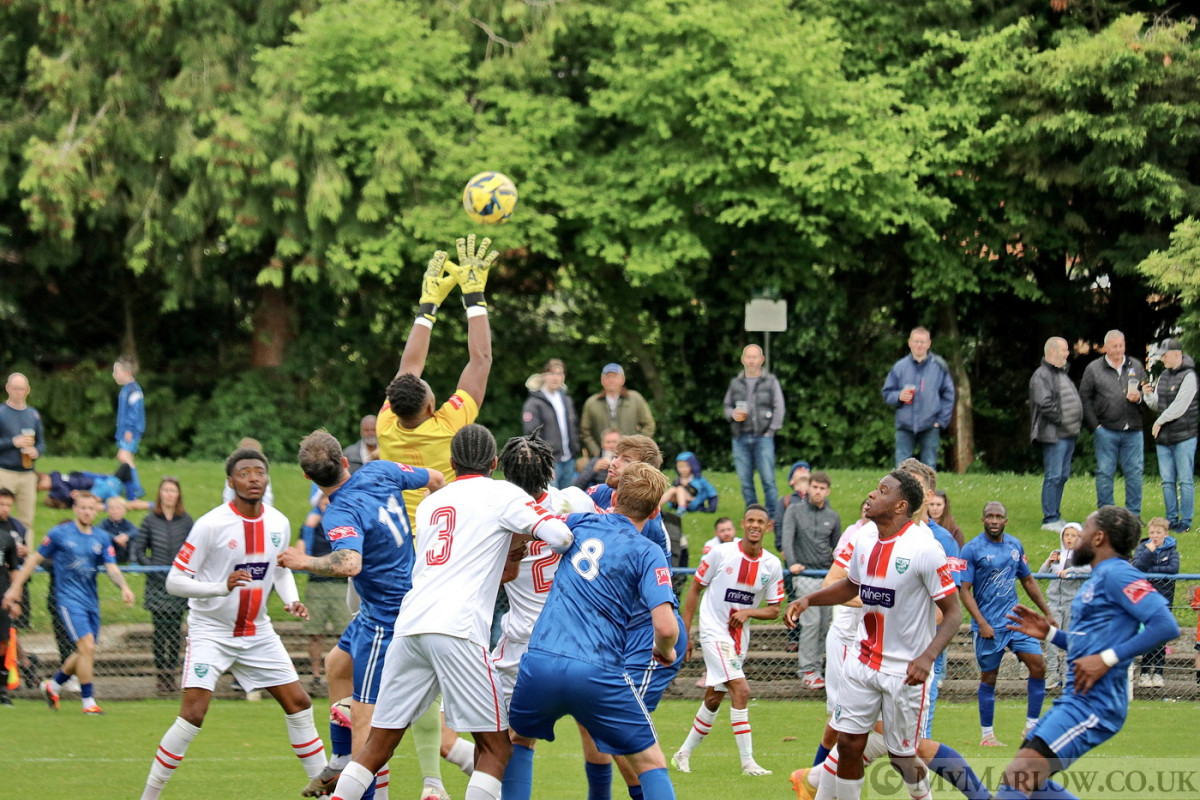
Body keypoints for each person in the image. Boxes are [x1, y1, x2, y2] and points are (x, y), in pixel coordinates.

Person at [325, 424, 573, 800]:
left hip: (409, 626)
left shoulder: (429, 504)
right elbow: (561, 538)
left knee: (376, 745)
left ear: (454, 464)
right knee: (496, 748)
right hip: (457, 628)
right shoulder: (503, 493)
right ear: (493, 462)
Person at [375, 238, 498, 798]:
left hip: (397, 548)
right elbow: (480, 360)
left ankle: (430, 775)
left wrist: (427, 307)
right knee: (451, 660)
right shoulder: (448, 426)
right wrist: (474, 296)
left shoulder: (386, 427)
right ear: (429, 404)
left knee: (407, 670)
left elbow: (408, 367)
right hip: (444, 554)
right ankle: (447, 761)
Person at [137, 448, 324, 800]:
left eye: (259, 472)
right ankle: (149, 796)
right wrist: (219, 587)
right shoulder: (210, 524)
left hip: (257, 632)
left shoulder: (278, 523)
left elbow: (279, 569)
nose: (253, 478)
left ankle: (328, 793)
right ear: (231, 481)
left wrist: (290, 599)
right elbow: (174, 581)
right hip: (211, 632)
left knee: (299, 703)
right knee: (193, 715)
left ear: (267, 479)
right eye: (245, 473)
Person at [281, 429, 445, 800]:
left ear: (307, 477)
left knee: (365, 721)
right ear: (343, 461)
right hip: (380, 608)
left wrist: (302, 560)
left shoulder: (340, 511)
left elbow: (350, 562)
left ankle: (368, 792)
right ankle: (341, 759)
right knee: (337, 664)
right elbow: (436, 479)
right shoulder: (380, 469)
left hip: (387, 619)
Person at [783, 470, 960, 800]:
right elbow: (851, 585)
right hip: (862, 662)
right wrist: (808, 599)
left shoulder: (925, 549)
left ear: (900, 506)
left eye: (882, 491)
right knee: (848, 744)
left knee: (902, 758)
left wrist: (927, 657)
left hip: (904, 672)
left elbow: (954, 613)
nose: (872, 495)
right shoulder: (864, 537)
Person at [507, 462, 678, 800]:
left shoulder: (581, 522)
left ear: (613, 497)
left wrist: (514, 553)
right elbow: (666, 626)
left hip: (541, 659)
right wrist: (667, 650)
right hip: (597, 670)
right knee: (649, 760)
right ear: (656, 510)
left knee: (517, 741)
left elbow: (530, 526)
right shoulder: (648, 551)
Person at [999, 506, 1180, 800]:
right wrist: (1050, 634)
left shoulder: (1119, 574)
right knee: (1029, 781)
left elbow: (1165, 624)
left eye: (1084, 528)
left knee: (1019, 775)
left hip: (1097, 702)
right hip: (1076, 697)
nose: (1077, 535)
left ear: (1098, 538)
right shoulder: (1099, 578)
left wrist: (1108, 659)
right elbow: (1089, 646)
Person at [490, 432, 602, 799]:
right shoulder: (574, 499)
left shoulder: (498, 514)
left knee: (517, 737)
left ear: (506, 473)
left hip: (523, 644)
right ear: (550, 469)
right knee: (595, 731)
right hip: (581, 638)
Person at [671, 504, 784, 777]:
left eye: (761, 522)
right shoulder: (721, 553)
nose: (755, 526)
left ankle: (682, 753)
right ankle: (748, 763)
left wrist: (749, 612)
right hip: (713, 632)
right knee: (742, 691)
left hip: (737, 639)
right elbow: (694, 589)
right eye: (751, 521)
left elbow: (774, 609)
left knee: (713, 698)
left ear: (768, 527)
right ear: (743, 524)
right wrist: (685, 635)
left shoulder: (772, 564)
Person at [2, 491, 135, 714]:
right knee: (87, 647)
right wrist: (16, 587)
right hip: (67, 599)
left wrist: (124, 587)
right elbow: (35, 558)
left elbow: (111, 567)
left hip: (90, 600)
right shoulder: (59, 534)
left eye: (91, 508)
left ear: (96, 511)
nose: (87, 512)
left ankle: (53, 686)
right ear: (75, 508)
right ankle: (88, 701)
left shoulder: (101, 538)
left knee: (86, 651)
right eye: (82, 507)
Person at [959, 501, 1055, 746]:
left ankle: (1032, 730)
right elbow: (965, 591)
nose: (993, 520)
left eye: (998, 516)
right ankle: (987, 736)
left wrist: (1046, 612)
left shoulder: (1015, 545)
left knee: (1038, 666)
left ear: (1005, 521)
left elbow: (1028, 580)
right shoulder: (971, 549)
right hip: (989, 626)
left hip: (1015, 621)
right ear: (983, 520)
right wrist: (981, 622)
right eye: (989, 516)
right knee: (989, 677)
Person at [132, 477, 194, 694]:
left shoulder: (186, 521)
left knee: (175, 631)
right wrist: (155, 568)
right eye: (165, 490)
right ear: (160, 494)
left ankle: (172, 673)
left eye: (173, 490)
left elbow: (194, 550)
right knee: (159, 631)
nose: (169, 494)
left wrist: (182, 571)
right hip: (157, 584)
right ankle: (161, 675)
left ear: (178, 494)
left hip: (178, 584)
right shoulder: (150, 520)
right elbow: (138, 551)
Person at [782, 470, 841, 689]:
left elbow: (838, 548)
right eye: (814, 487)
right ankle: (807, 669)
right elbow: (787, 539)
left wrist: (837, 572)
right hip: (805, 576)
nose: (817, 491)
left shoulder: (833, 517)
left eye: (822, 488)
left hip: (826, 578)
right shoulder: (795, 511)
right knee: (811, 623)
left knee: (825, 624)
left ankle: (817, 667)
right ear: (808, 488)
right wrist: (792, 564)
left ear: (828, 491)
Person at [1079, 329, 1146, 516]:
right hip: (1106, 429)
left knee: (1134, 473)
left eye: (1121, 346)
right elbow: (1084, 398)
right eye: (1114, 346)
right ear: (1106, 347)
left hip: (1133, 429)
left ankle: (1133, 515)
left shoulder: (1136, 365)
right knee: (1105, 473)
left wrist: (1139, 397)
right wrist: (1095, 427)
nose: (1118, 350)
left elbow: (1148, 393)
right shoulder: (1093, 368)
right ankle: (1106, 514)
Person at [723, 344, 785, 516]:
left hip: (763, 438)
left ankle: (772, 516)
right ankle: (753, 514)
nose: (751, 361)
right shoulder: (735, 383)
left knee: (768, 480)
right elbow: (726, 406)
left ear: (761, 360)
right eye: (748, 357)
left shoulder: (771, 381)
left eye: (754, 357)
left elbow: (779, 407)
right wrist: (732, 414)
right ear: (743, 359)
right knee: (745, 481)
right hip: (740, 437)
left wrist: (770, 431)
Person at [1143, 338, 1197, 533]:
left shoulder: (1189, 376)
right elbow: (1158, 404)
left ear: (1176, 355)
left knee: (1185, 480)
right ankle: (1171, 519)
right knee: (1167, 481)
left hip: (1184, 436)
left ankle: (1186, 521)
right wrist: (1148, 396)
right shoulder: (1164, 375)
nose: (1162, 359)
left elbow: (1180, 407)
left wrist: (1159, 421)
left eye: (1164, 356)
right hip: (1164, 438)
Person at [882, 327, 955, 468]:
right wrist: (898, 395)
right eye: (916, 341)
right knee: (902, 468)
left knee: (929, 468)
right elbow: (887, 392)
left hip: (930, 425)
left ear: (929, 344)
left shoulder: (939, 367)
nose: (919, 345)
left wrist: (940, 421)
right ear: (909, 343)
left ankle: (927, 491)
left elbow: (949, 395)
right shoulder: (899, 367)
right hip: (904, 425)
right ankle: (902, 491)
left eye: (922, 342)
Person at [1030, 337, 1083, 532]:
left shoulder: (1061, 373)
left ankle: (1056, 515)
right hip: (1054, 434)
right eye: (1064, 350)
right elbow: (1044, 403)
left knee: (1062, 475)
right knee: (1053, 476)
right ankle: (1049, 519)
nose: (1067, 353)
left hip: (1067, 434)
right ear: (1052, 352)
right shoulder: (1042, 375)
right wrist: (1062, 419)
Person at [1038, 522, 1089, 689]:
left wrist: (1072, 571)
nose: (1069, 538)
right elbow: (1040, 574)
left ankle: (1068, 677)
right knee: (1051, 638)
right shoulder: (1057, 554)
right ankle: (1052, 673)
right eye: (1067, 535)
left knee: (1069, 641)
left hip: (1072, 603)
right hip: (1054, 603)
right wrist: (1048, 563)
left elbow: (1089, 569)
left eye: (1073, 535)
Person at [1132, 517, 1179, 688]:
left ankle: (1158, 672)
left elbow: (1173, 568)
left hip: (1164, 599)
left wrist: (1151, 572)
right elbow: (1137, 567)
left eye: (1158, 533)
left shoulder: (1171, 550)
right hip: (1145, 599)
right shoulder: (1143, 548)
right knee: (1147, 635)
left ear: (1165, 534)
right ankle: (1145, 672)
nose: (1155, 536)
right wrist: (1149, 552)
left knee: (1161, 636)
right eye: (1152, 532)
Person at [521, 358, 581, 489]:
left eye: (559, 374)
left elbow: (574, 427)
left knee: (566, 502)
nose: (556, 378)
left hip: (569, 459)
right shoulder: (534, 403)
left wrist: (575, 449)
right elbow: (532, 434)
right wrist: (543, 460)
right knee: (551, 501)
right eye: (552, 373)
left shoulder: (566, 400)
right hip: (549, 461)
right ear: (544, 376)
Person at [579, 363, 656, 457]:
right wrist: (595, 450)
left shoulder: (635, 399)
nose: (611, 380)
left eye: (614, 376)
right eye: (608, 377)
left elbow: (649, 424)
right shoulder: (592, 403)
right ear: (602, 380)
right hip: (603, 457)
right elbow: (585, 431)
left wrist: (638, 446)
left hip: (630, 455)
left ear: (622, 379)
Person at [0, 373, 44, 530]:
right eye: (15, 388)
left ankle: (25, 553)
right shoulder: (2, 413)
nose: (19, 392)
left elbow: (41, 443)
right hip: (5, 472)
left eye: (22, 389)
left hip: (27, 473)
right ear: (8, 388)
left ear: (28, 390)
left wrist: (36, 452)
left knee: (26, 521)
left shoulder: (33, 414)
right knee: (2, 517)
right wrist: (13, 442)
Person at [113, 359, 146, 499]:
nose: (114, 375)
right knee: (127, 458)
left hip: (130, 431)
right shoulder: (125, 390)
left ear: (127, 373)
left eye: (116, 371)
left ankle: (136, 488)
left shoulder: (133, 390)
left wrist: (129, 429)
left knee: (124, 456)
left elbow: (135, 411)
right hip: (125, 431)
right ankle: (130, 486)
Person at [221, 437, 276, 507]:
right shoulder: (235, 474)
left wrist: (267, 509)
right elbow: (228, 494)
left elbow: (267, 495)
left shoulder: (263, 476)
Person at [660, 451, 718, 515]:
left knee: (679, 488)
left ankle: (682, 509)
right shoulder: (677, 480)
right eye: (680, 467)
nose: (683, 469)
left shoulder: (699, 480)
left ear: (693, 465)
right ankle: (655, 506)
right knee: (673, 489)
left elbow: (711, 492)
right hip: (677, 502)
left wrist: (712, 506)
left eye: (686, 466)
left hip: (692, 502)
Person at [0, 506, 18, 705]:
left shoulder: (6, 538)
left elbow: (14, 570)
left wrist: (16, 598)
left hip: (1, 597)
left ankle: (2, 690)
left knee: (3, 644)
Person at [774, 461, 811, 543]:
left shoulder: (818, 500)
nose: (803, 469)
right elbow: (779, 526)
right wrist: (782, 547)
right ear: (791, 481)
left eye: (806, 468)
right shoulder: (785, 501)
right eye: (798, 469)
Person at [98, 495, 137, 564]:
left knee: (134, 540)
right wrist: (115, 538)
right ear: (107, 510)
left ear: (125, 511)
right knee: (103, 540)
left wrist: (126, 536)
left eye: (119, 509)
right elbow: (99, 532)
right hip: (110, 551)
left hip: (124, 551)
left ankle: (133, 560)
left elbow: (135, 531)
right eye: (112, 509)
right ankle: (104, 560)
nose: (115, 511)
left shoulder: (127, 523)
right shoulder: (105, 523)